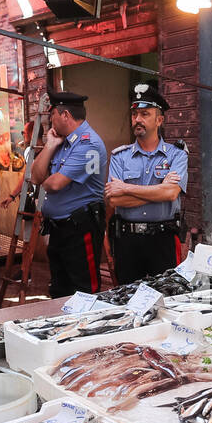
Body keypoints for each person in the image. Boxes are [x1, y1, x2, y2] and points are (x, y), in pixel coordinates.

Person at [105, 83, 188, 284]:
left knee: (167, 298)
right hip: (128, 241)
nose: (138, 120)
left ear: (159, 120)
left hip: (163, 239)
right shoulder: (119, 156)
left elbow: (170, 194)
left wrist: (126, 188)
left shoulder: (177, 155)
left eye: (145, 114)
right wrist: (158, 191)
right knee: (128, 300)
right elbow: (115, 199)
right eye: (135, 115)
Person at [28, 90, 107, 298]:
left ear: (65, 115)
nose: (50, 120)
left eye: (52, 114)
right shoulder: (62, 142)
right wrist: (50, 145)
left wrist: (44, 176)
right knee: (59, 291)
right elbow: (35, 177)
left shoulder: (89, 145)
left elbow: (55, 184)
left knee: (83, 291)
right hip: (59, 228)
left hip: (80, 228)